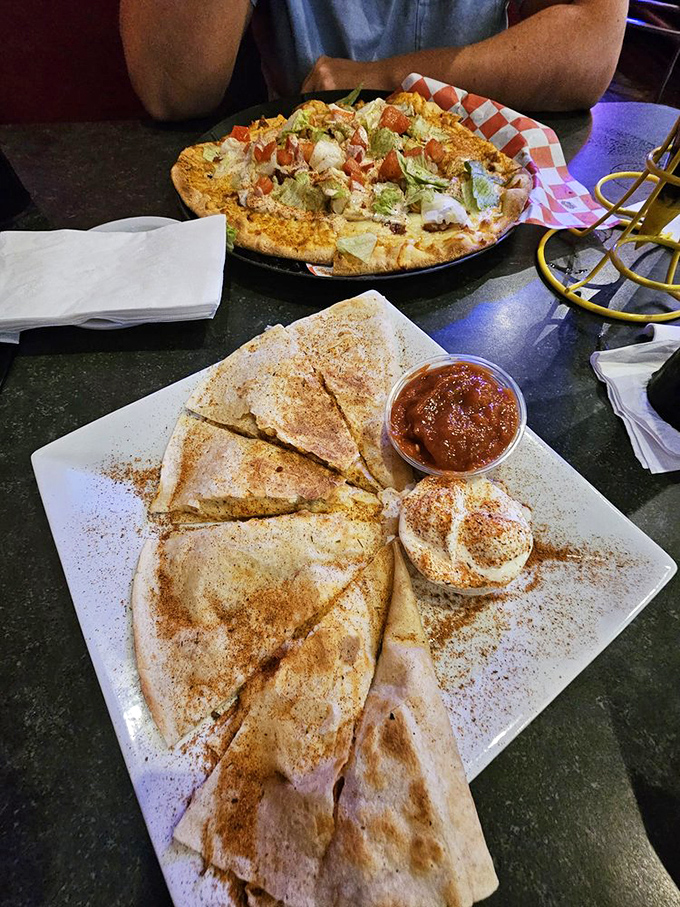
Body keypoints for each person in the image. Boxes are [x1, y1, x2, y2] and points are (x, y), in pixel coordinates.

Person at [120, 0, 627, 121]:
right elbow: (171, 87)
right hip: (287, 166)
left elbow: (588, 48)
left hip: (473, 156)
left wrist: (382, 78)